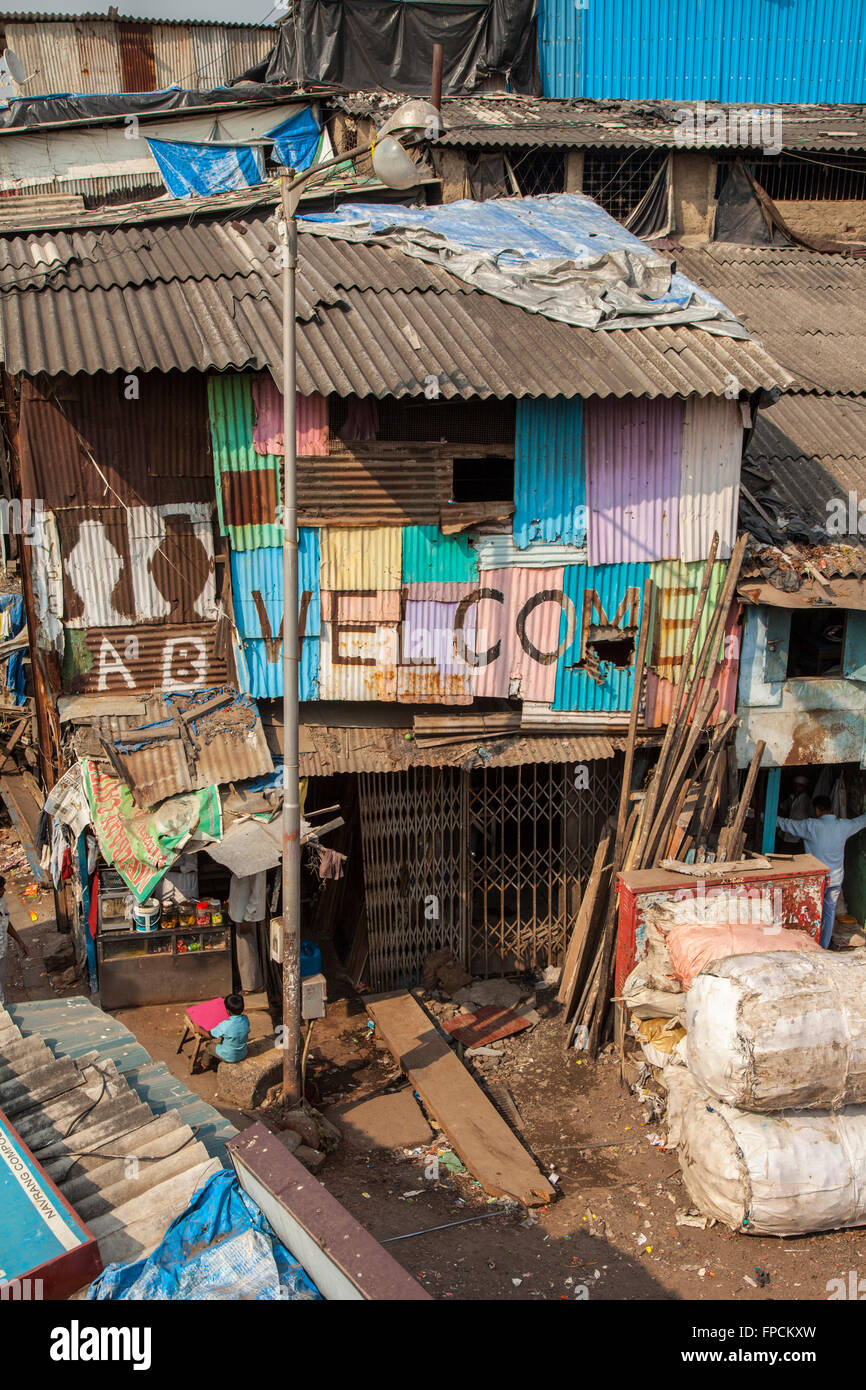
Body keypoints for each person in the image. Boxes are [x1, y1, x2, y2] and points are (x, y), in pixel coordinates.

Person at [777, 797, 866, 949]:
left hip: (817, 880)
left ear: (817, 810)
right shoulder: (843, 825)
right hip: (836, 879)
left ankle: (810, 945)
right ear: (831, 808)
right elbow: (861, 821)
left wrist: (765, 816)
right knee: (829, 913)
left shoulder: (812, 825)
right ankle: (823, 946)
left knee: (811, 912)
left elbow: (787, 824)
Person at [228, 869, 268, 994]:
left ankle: (251, 986)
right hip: (240, 911)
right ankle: (249, 984)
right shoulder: (245, 862)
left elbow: (257, 893)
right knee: (244, 950)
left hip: (245, 914)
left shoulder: (257, 866)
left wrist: (248, 917)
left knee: (247, 951)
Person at [0, 875, 31, 1007]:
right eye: (1, 888)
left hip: (2, 950)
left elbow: (6, 921)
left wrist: (20, 941)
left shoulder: (1, 900)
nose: (4, 891)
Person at [198, 994, 250, 1071]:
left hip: (230, 1056)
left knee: (208, 1045)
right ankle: (218, 1056)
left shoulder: (225, 1024)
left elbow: (209, 1036)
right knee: (226, 1039)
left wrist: (198, 1029)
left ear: (227, 1011)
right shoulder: (245, 1019)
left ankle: (204, 1064)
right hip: (242, 1053)